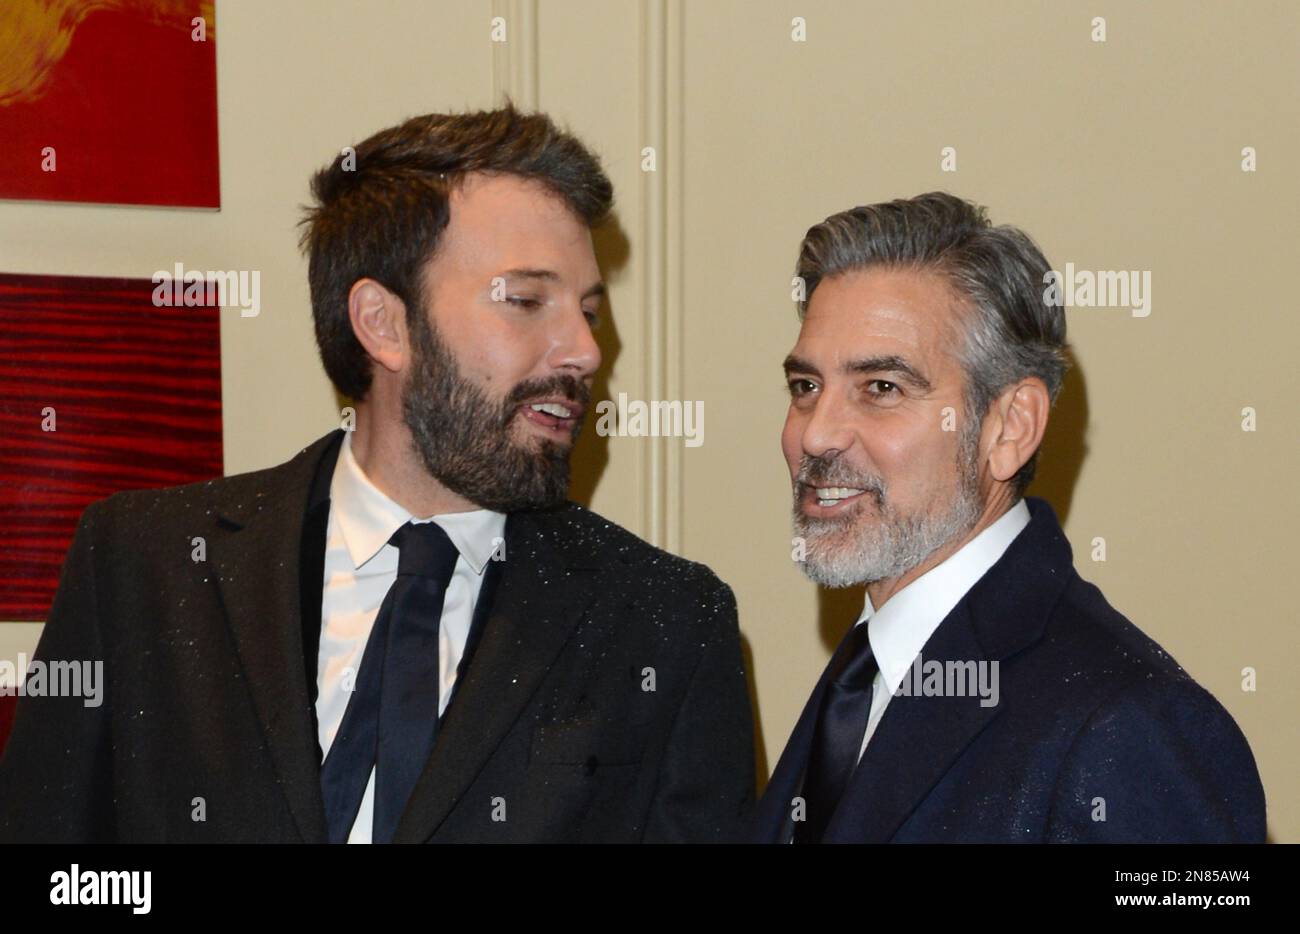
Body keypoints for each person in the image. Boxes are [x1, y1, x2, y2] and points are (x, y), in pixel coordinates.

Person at [0, 104, 754, 843]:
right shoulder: (140, 567)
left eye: (587, 310)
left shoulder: (670, 625)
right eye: (526, 300)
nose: (584, 351)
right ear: (383, 324)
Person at [751, 192, 1265, 843]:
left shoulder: (1132, 729)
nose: (817, 435)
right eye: (805, 387)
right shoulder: (863, 674)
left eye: (881, 388)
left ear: (1011, 427)